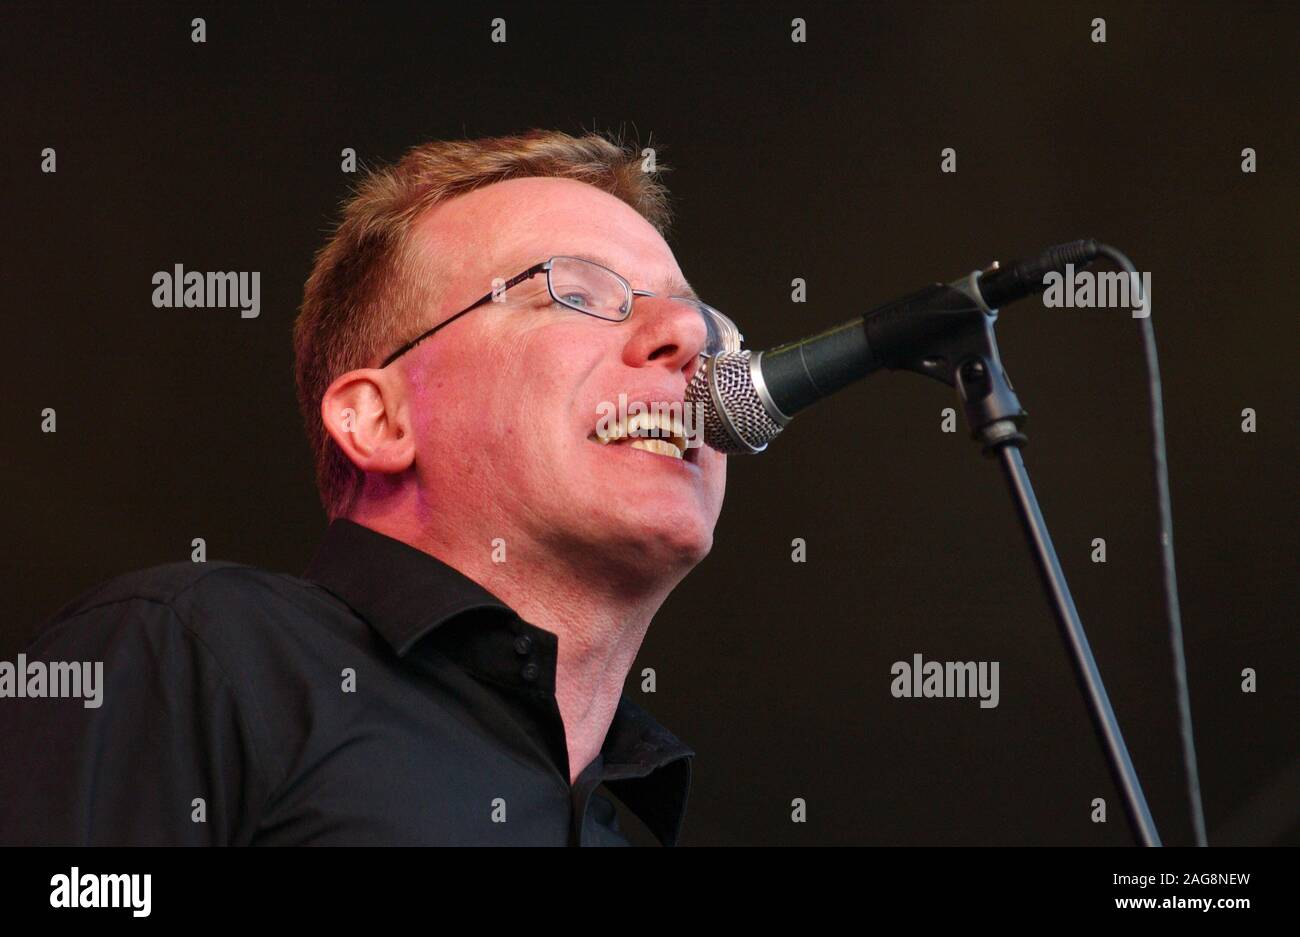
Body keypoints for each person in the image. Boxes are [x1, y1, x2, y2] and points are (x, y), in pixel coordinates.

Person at [0, 129, 740, 846]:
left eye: (701, 318)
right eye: (575, 290)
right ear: (380, 418)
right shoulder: (195, 654)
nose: (687, 336)